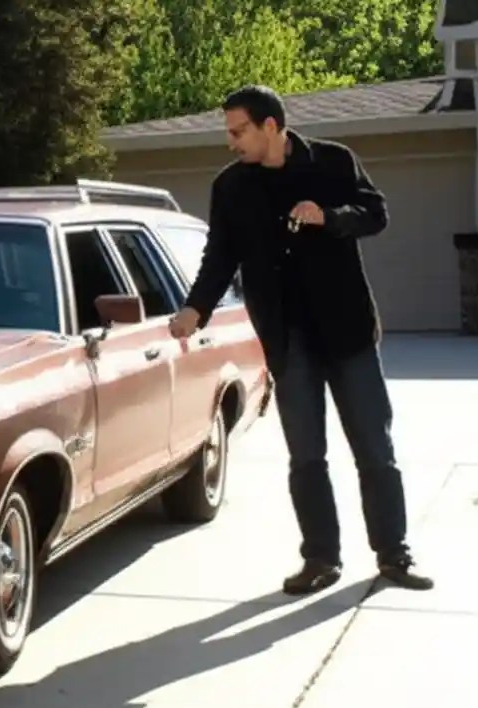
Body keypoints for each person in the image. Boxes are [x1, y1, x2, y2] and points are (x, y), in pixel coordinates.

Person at [168, 84, 434, 595]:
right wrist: (194, 309)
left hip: (348, 333)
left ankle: (393, 554)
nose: (232, 142)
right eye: (229, 132)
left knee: (375, 449)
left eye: (238, 130)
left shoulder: (333, 163)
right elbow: (219, 255)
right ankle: (320, 559)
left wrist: (330, 218)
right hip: (288, 342)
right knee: (307, 456)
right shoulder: (231, 188)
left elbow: (376, 213)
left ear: (271, 126)